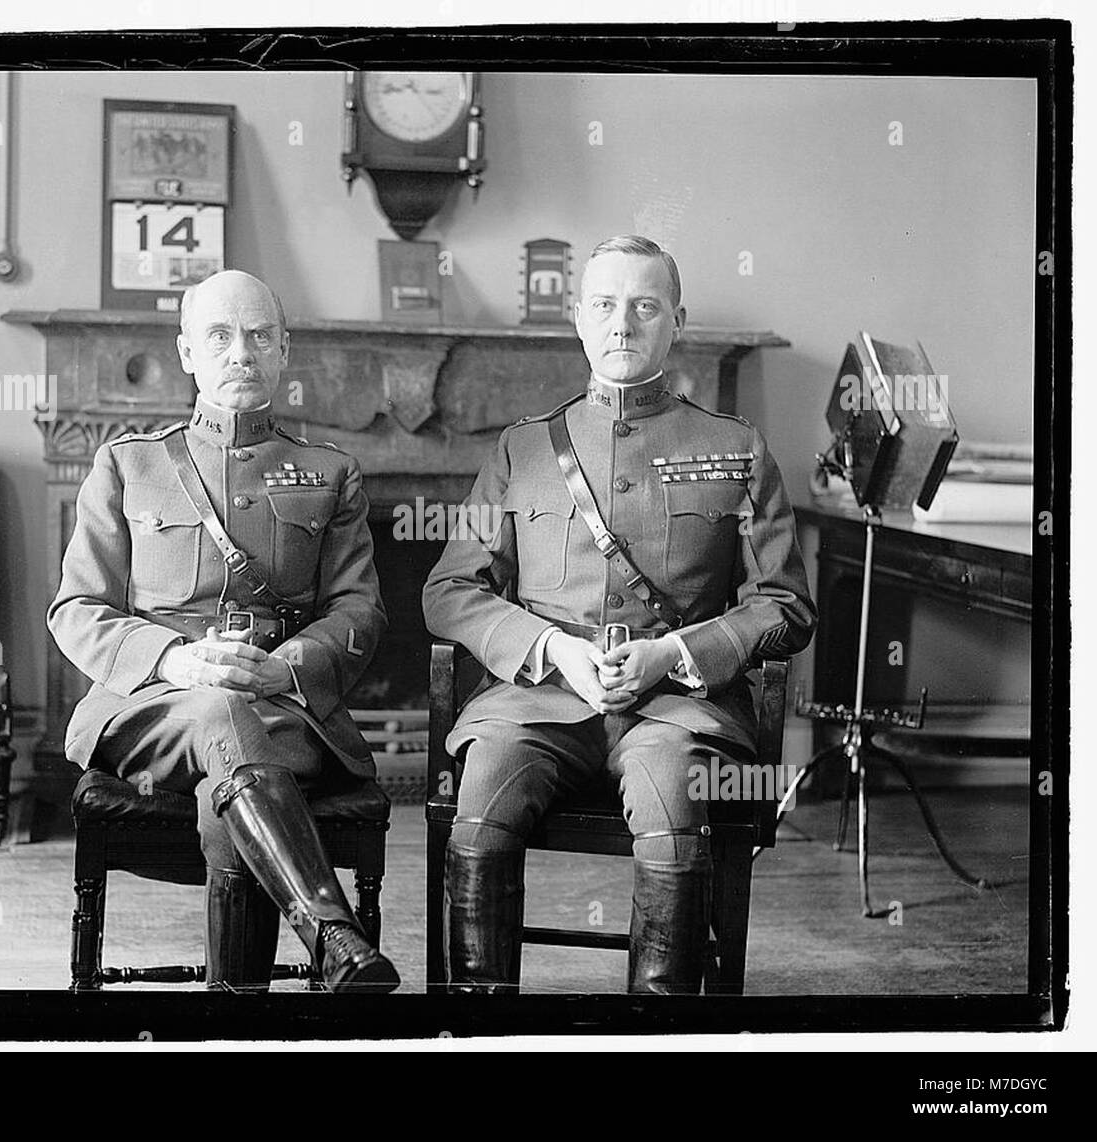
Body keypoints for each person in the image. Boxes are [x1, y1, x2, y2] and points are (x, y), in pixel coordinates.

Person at [422, 235, 817, 994]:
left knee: (673, 806)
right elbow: (450, 590)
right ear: (578, 318)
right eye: (604, 305)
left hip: (675, 711)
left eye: (645, 306)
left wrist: (674, 654)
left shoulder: (736, 449)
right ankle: (478, 1028)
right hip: (535, 702)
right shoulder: (521, 450)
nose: (623, 323)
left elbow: (786, 605)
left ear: (677, 321)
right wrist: (551, 649)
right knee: (482, 803)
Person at [49, 269, 400, 993]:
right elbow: (76, 609)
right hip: (150, 709)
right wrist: (175, 661)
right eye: (220, 336)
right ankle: (330, 932)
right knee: (217, 709)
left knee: (233, 759)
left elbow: (361, 612)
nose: (241, 353)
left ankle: (233, 1014)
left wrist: (288, 667)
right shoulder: (128, 464)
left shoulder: (329, 472)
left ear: (283, 350)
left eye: (259, 337)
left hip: (283, 707)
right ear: (186, 352)